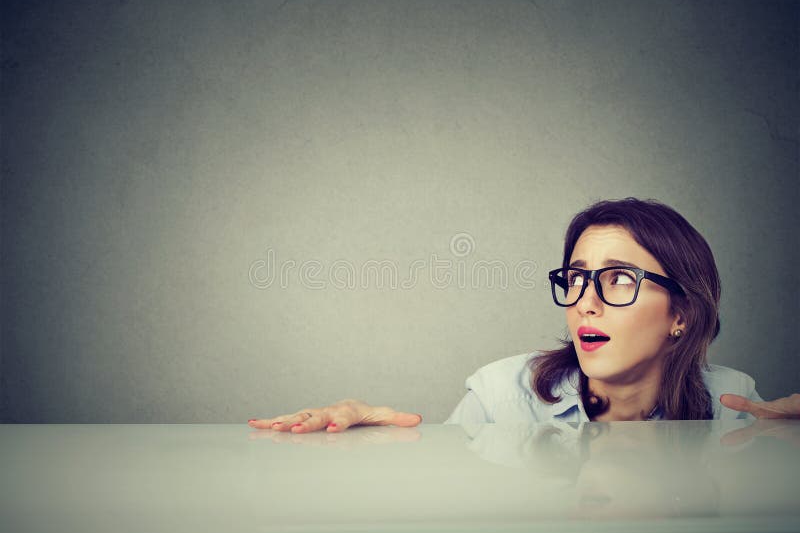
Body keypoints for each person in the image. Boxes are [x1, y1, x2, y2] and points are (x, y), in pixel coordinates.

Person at [249, 198, 800, 433]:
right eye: (577, 277)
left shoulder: (735, 407)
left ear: (681, 312)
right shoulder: (500, 396)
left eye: (617, 280)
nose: (586, 299)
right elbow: (442, 503)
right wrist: (377, 448)